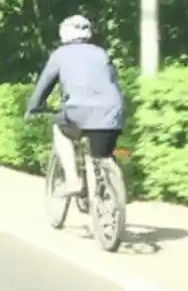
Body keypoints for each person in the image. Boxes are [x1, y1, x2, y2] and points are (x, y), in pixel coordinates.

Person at [24, 14, 125, 197]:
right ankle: (110, 187)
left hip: (78, 112)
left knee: (59, 129)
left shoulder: (60, 55)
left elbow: (43, 85)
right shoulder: (101, 53)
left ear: (64, 33)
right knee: (103, 154)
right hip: (112, 112)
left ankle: (72, 181)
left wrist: (33, 107)